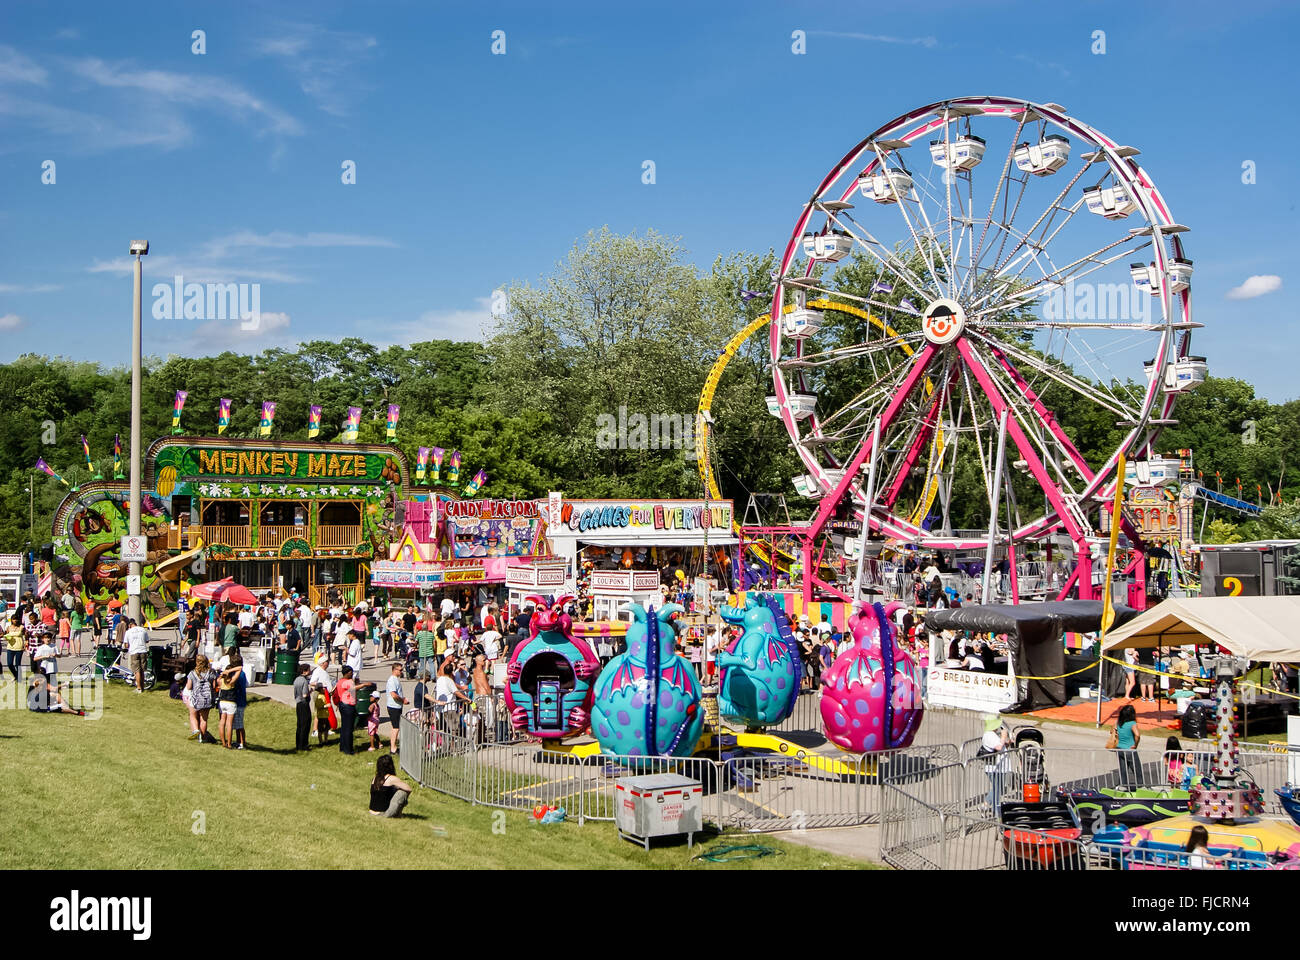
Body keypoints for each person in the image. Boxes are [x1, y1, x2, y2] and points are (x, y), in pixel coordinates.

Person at [980, 715, 1011, 817]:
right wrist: (1003, 736)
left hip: (1000, 767)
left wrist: (1007, 743)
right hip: (994, 768)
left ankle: (985, 805)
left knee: (999, 788)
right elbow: (998, 746)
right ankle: (997, 812)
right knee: (998, 788)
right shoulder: (988, 735)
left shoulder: (992, 734)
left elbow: (999, 745)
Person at [185, 654, 217, 742]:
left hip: (196, 699)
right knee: (204, 719)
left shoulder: (192, 673)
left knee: (193, 715)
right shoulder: (211, 672)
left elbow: (188, 687)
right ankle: (203, 738)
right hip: (207, 699)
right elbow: (214, 686)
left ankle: (195, 730)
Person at [369, 753, 412, 818]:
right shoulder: (391, 778)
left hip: (371, 811)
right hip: (382, 813)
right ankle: (398, 814)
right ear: (390, 766)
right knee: (403, 792)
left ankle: (397, 813)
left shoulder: (375, 778)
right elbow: (409, 789)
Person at [435, 658, 471, 734]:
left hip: (441, 707)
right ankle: (453, 744)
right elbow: (456, 692)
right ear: (451, 672)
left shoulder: (440, 679)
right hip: (449, 707)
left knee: (445, 728)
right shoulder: (449, 681)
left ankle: (448, 742)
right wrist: (466, 698)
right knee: (453, 727)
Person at [216, 653, 243, 749]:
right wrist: (230, 671)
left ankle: (223, 742)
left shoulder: (220, 681)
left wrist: (224, 672)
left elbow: (217, 680)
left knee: (222, 722)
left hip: (222, 702)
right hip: (231, 702)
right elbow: (240, 668)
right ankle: (229, 743)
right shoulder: (231, 681)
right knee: (229, 724)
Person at [1112, 703, 1141, 787]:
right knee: (1137, 770)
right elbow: (1137, 735)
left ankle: (1121, 785)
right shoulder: (1132, 723)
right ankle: (1141, 786)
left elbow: (1113, 731)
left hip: (1119, 748)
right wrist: (1135, 745)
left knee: (1123, 769)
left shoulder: (1118, 723)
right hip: (1129, 749)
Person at [310, 653, 334, 745]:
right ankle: (315, 730)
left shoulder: (324, 671)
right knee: (318, 713)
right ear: (322, 663)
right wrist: (321, 686)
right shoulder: (318, 671)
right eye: (326, 662)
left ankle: (326, 729)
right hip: (319, 694)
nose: (328, 663)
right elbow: (312, 682)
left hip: (326, 694)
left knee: (326, 712)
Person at [123, 617, 150, 694]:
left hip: (134, 651)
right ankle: (142, 686)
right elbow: (147, 640)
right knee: (142, 670)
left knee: (137, 670)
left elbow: (126, 644)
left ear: (130, 624)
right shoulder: (142, 630)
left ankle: (139, 688)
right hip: (143, 650)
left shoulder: (128, 632)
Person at [385, 662, 408, 753]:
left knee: (396, 726)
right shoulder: (392, 680)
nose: (402, 672)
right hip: (393, 706)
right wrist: (403, 700)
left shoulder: (395, 680)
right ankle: (393, 748)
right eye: (400, 670)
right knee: (396, 727)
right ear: (395, 670)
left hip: (396, 706)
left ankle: (393, 746)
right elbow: (393, 695)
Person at [336, 664, 359, 754]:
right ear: (348, 673)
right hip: (349, 706)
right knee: (349, 729)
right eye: (351, 673)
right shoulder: (349, 682)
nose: (352, 674)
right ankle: (348, 749)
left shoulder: (340, 681)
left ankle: (342, 746)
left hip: (342, 704)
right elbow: (353, 688)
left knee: (344, 727)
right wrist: (364, 684)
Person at [292, 662, 313, 751]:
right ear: (304, 671)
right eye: (308, 670)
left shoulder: (296, 679)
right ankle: (304, 744)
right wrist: (311, 691)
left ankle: (298, 744)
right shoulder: (304, 681)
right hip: (304, 704)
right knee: (306, 724)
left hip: (298, 704)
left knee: (299, 725)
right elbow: (305, 694)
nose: (309, 671)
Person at [4, 616, 23, 682]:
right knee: (9, 664)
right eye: (14, 619)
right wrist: (6, 637)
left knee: (18, 664)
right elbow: (6, 636)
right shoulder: (8, 628)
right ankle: (16, 675)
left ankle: (19, 678)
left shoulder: (21, 627)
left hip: (19, 647)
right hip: (10, 647)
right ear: (11, 620)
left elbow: (21, 634)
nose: (15, 620)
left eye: (16, 619)